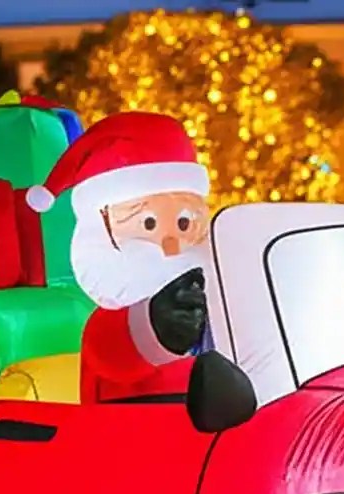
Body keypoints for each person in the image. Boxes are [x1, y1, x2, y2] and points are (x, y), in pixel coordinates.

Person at [24, 111, 212, 403]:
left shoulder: (217, 294)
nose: (170, 245)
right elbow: (112, 352)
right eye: (148, 224)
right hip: (132, 435)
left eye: (184, 222)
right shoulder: (110, 325)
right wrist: (157, 326)